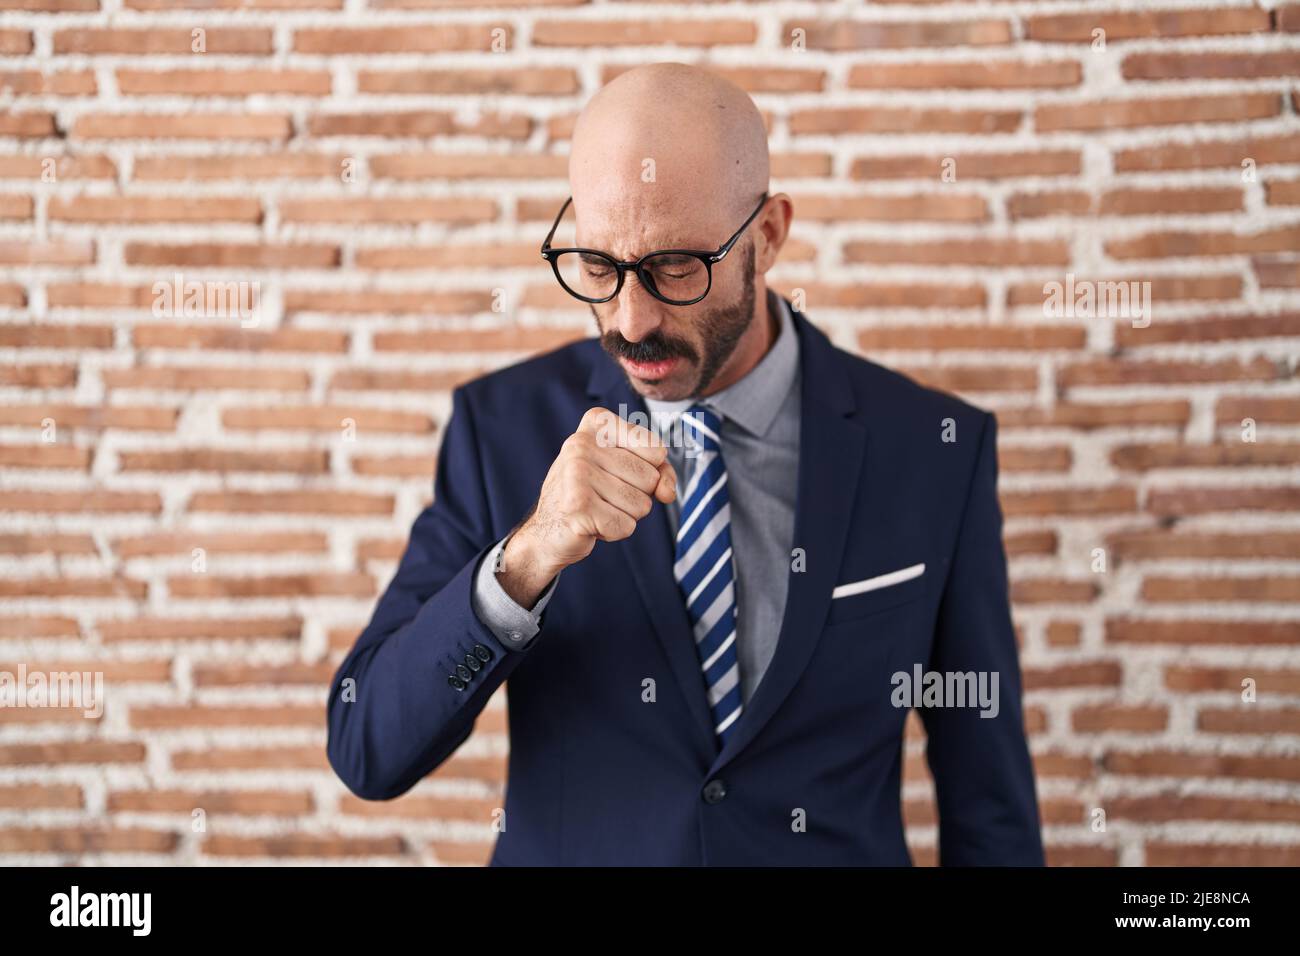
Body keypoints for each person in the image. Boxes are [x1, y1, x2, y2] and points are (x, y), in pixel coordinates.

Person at [326, 62, 1045, 866]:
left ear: (767, 236)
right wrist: (525, 559)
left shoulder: (934, 447)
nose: (631, 320)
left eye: (676, 268)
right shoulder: (500, 429)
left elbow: (991, 811)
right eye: (598, 266)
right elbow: (367, 750)